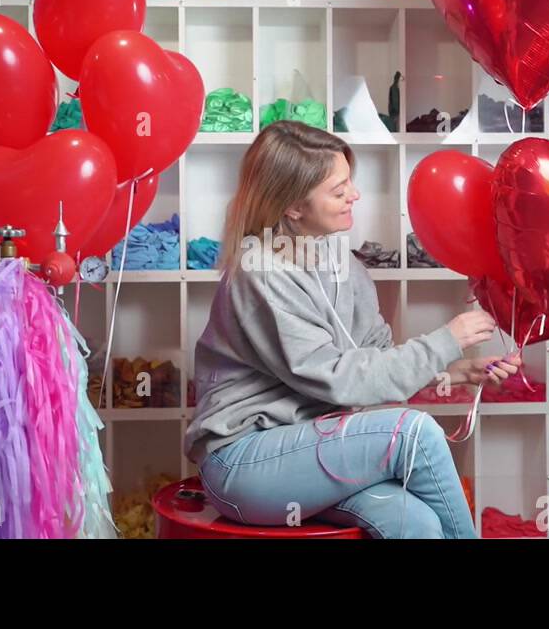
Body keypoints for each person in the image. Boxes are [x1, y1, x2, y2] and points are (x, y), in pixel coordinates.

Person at [183, 120, 522, 539]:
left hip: (314, 449)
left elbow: (373, 363)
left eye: (350, 183)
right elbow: (339, 379)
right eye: (338, 190)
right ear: (292, 206)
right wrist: (445, 340)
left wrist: (452, 372)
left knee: (416, 523)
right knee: (412, 433)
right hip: (246, 463)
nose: (355, 196)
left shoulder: (344, 264)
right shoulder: (262, 273)